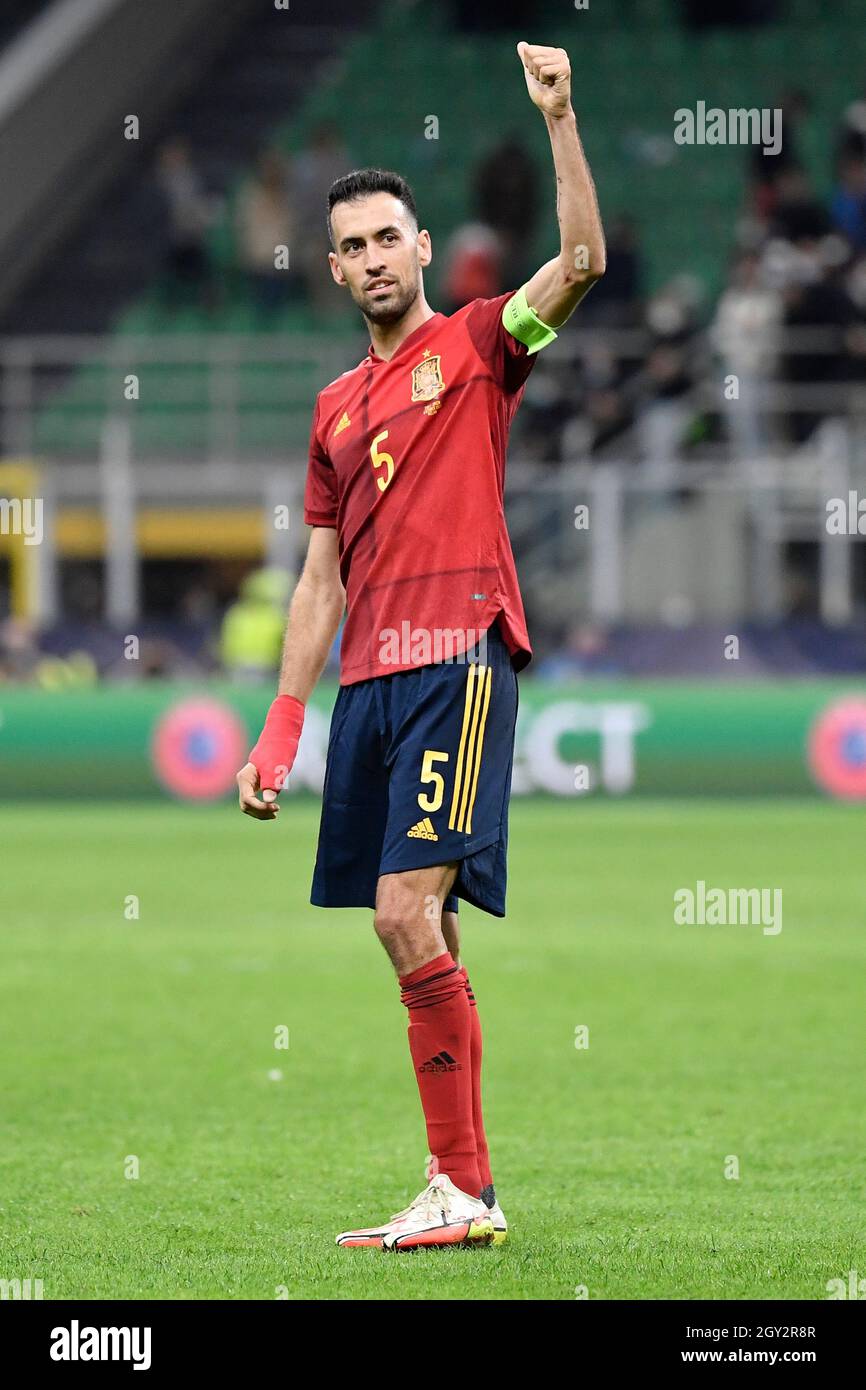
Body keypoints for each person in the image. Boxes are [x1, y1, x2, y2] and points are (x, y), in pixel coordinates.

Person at [236, 41, 605, 1250]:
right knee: (418, 926)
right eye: (348, 244)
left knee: (403, 912)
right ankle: (465, 1188)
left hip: (457, 657)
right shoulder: (333, 408)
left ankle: (461, 1187)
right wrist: (282, 725)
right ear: (333, 266)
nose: (370, 257)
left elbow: (584, 263)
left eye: (387, 236)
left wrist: (556, 118)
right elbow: (317, 578)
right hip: (368, 688)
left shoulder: (483, 348)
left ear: (421, 247)